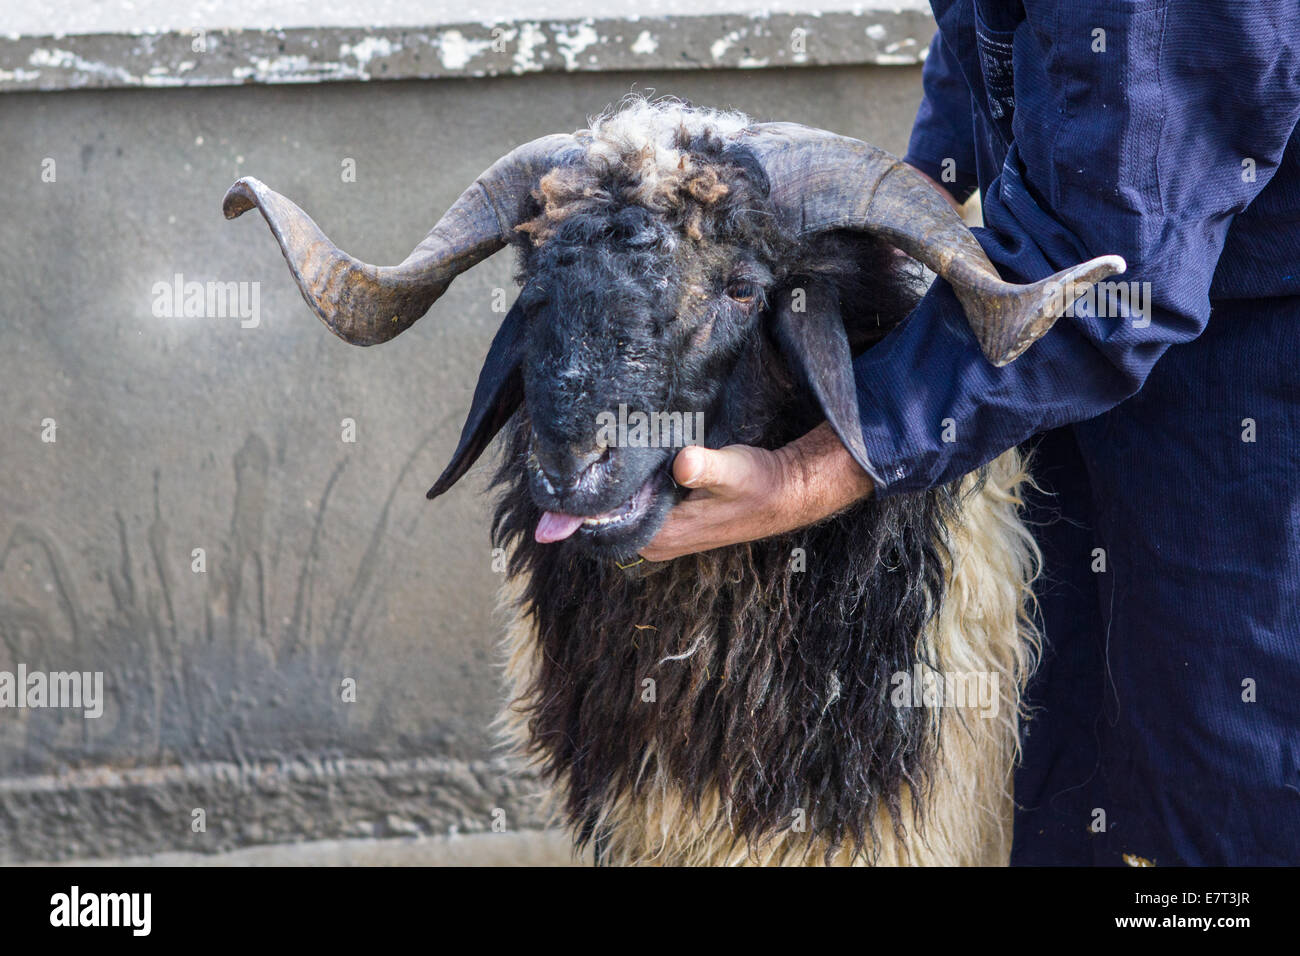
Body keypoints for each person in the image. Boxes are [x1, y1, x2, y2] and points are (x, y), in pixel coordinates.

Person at [642, 0, 1300, 865]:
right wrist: (910, 210)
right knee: (1072, 742)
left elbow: (1111, 267)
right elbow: (993, 38)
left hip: (1246, 376)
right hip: (1080, 363)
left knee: (1220, 755)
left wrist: (831, 460)